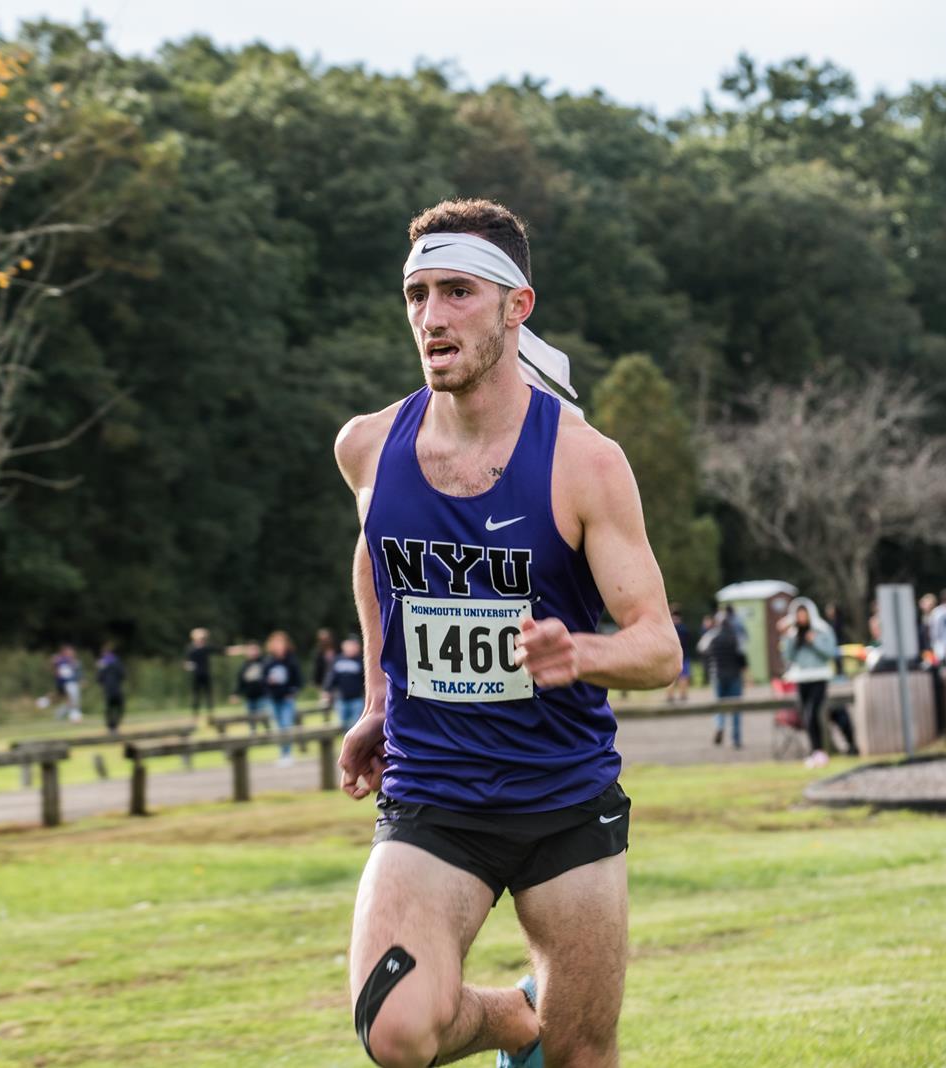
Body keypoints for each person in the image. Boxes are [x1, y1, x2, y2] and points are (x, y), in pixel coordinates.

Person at [334, 200, 679, 1068]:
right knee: (394, 1030)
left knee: (582, 1055)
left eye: (458, 291)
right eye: (417, 294)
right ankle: (518, 1019)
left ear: (516, 305)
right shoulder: (368, 447)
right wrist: (378, 699)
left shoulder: (585, 462)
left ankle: (547, 1035)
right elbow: (375, 559)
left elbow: (660, 648)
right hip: (433, 792)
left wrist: (582, 653)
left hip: (564, 797)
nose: (432, 317)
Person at [780, 597, 856, 766]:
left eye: (804, 614)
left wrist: (814, 641)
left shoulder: (821, 630)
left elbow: (830, 652)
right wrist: (786, 637)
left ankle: (820, 750)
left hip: (819, 676)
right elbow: (789, 656)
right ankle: (815, 750)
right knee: (806, 714)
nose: (801, 618)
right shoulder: (794, 634)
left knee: (813, 712)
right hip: (801, 677)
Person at [698, 609, 746, 748]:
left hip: (717, 674)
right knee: (736, 708)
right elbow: (742, 655)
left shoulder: (711, 635)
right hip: (734, 675)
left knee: (719, 705)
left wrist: (709, 663)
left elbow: (701, 648)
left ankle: (719, 726)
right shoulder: (736, 636)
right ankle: (736, 739)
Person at [262, 631, 301, 764]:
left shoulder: (291, 661)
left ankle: (287, 753)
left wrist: (292, 692)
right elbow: (263, 681)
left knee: (286, 725)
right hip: (273, 699)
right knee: (278, 727)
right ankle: (282, 753)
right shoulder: (268, 662)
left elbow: (298, 681)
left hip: (287, 700)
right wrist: (269, 684)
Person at [329, 636, 366, 729]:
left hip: (357, 698)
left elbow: (365, 680)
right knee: (343, 724)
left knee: (356, 724)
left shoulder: (362, 660)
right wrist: (327, 690)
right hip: (341, 698)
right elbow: (331, 677)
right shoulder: (337, 659)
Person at [231, 641, 268, 729]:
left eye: (255, 650)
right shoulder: (244, 666)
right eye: (251, 650)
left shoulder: (264, 663)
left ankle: (268, 733)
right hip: (250, 697)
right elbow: (240, 682)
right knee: (251, 721)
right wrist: (235, 694)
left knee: (264, 719)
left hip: (263, 696)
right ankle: (253, 734)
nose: (253, 652)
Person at [97, 643, 126, 734]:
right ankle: (114, 726)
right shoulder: (117, 661)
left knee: (109, 708)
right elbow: (123, 674)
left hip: (107, 689)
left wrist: (104, 683)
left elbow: (99, 678)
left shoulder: (102, 663)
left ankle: (111, 727)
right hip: (117, 688)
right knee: (119, 707)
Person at [184, 628, 214, 716]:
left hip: (206, 674)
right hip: (196, 675)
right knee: (196, 695)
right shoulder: (191, 649)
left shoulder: (206, 648)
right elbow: (187, 662)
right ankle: (195, 714)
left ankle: (210, 713)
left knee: (208, 694)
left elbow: (222, 650)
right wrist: (188, 666)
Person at [665, 605, 691, 703]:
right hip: (684, 656)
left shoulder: (668, 629)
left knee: (671, 678)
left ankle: (670, 696)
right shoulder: (684, 629)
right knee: (683, 676)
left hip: (671, 657)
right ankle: (683, 695)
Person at [52, 645, 82, 722]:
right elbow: (59, 672)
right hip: (67, 683)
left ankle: (60, 713)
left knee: (73, 700)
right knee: (73, 699)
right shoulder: (62, 661)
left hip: (73, 682)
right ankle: (74, 716)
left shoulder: (74, 661)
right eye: (70, 652)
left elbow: (77, 673)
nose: (72, 654)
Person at [314, 628, 339, 712]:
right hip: (324, 680)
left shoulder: (337, 650)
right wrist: (318, 684)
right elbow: (317, 670)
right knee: (325, 703)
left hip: (336, 680)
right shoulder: (319, 653)